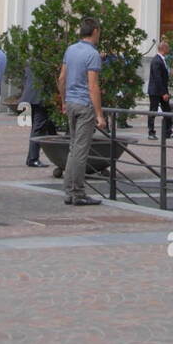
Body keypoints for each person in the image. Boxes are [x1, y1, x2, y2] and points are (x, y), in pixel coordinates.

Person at [58, 16, 106, 206]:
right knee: (80, 150)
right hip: (85, 104)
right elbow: (93, 86)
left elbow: (62, 78)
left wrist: (64, 101)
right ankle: (78, 192)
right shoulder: (92, 54)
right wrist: (99, 114)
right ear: (95, 31)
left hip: (71, 102)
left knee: (73, 148)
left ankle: (69, 191)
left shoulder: (70, 50)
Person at [18, 60, 53, 168]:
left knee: (37, 127)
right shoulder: (46, 62)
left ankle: (32, 157)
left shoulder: (30, 61)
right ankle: (33, 158)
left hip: (30, 96)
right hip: (40, 97)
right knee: (38, 128)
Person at [147, 40, 173, 140]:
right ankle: (151, 132)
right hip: (155, 91)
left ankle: (168, 131)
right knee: (153, 111)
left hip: (162, 90)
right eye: (167, 48)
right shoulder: (156, 60)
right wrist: (163, 93)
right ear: (164, 48)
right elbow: (158, 78)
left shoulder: (162, 59)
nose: (168, 49)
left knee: (167, 110)